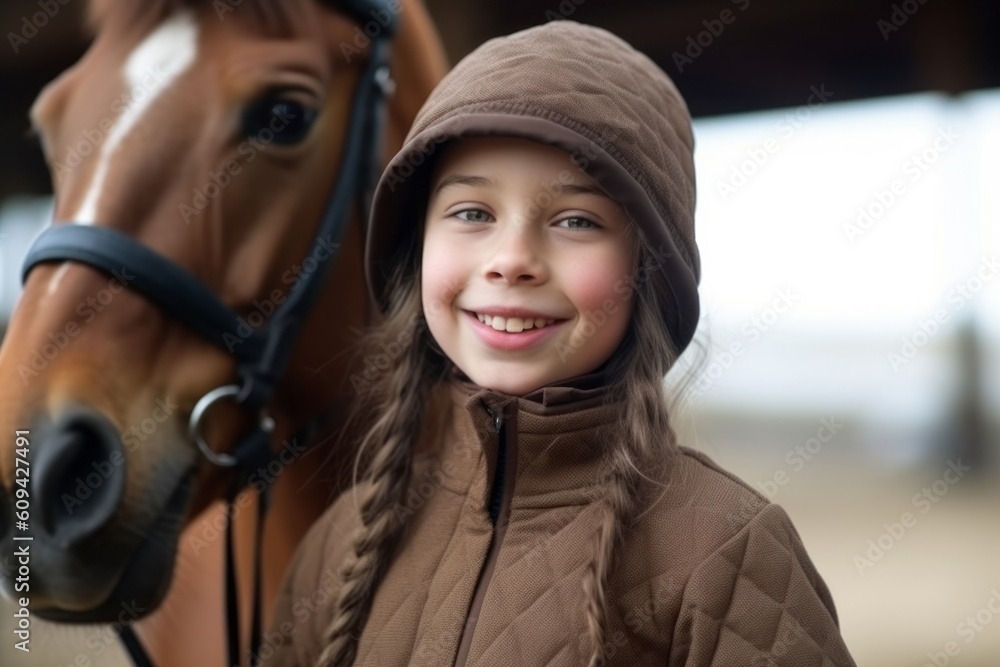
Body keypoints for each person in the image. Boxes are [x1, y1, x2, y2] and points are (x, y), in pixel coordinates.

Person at [260, 20, 857, 667]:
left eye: (576, 220)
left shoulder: (728, 552)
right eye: (472, 213)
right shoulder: (346, 539)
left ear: (649, 269)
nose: (512, 259)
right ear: (417, 245)